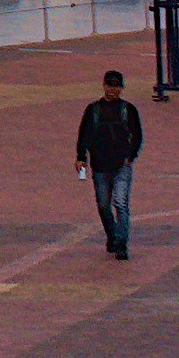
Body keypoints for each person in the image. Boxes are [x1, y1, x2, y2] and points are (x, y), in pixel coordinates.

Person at [74, 65, 144, 262]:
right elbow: (84, 135)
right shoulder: (93, 110)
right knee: (103, 205)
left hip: (122, 165)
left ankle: (121, 243)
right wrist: (81, 157)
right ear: (103, 86)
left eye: (116, 86)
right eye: (109, 85)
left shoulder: (128, 110)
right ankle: (112, 235)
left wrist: (131, 156)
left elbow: (137, 135)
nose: (112, 90)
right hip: (100, 165)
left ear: (121, 88)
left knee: (121, 204)